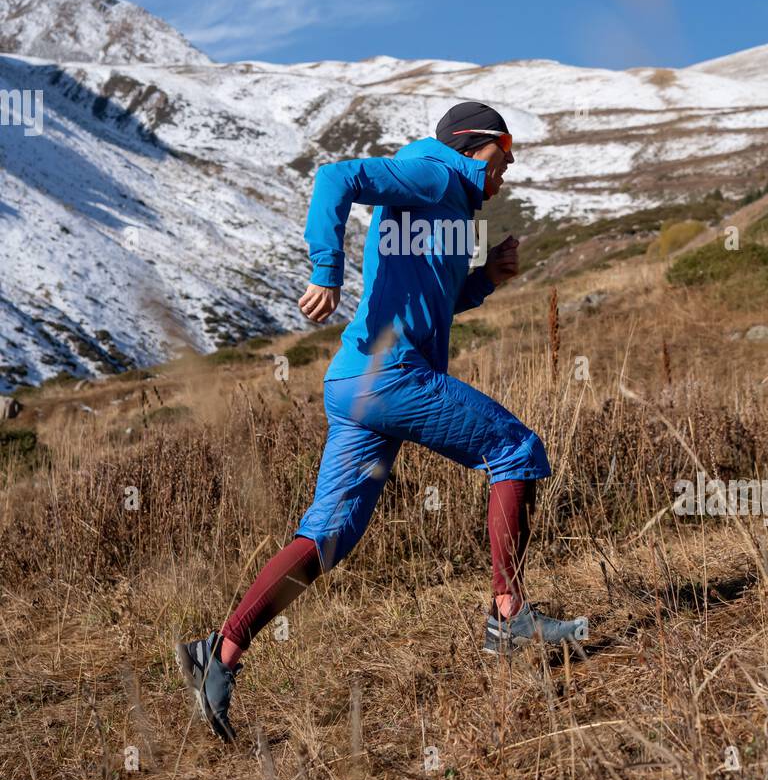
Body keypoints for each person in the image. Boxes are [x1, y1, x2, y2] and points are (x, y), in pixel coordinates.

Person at [177, 100, 585, 742]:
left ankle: (219, 654)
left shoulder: (448, 204)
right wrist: (324, 271)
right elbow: (334, 177)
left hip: (357, 383)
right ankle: (507, 616)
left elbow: (433, 299)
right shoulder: (432, 174)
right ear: (479, 147)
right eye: (507, 157)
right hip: (391, 378)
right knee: (517, 451)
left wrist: (489, 278)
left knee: (329, 536)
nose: (508, 173)